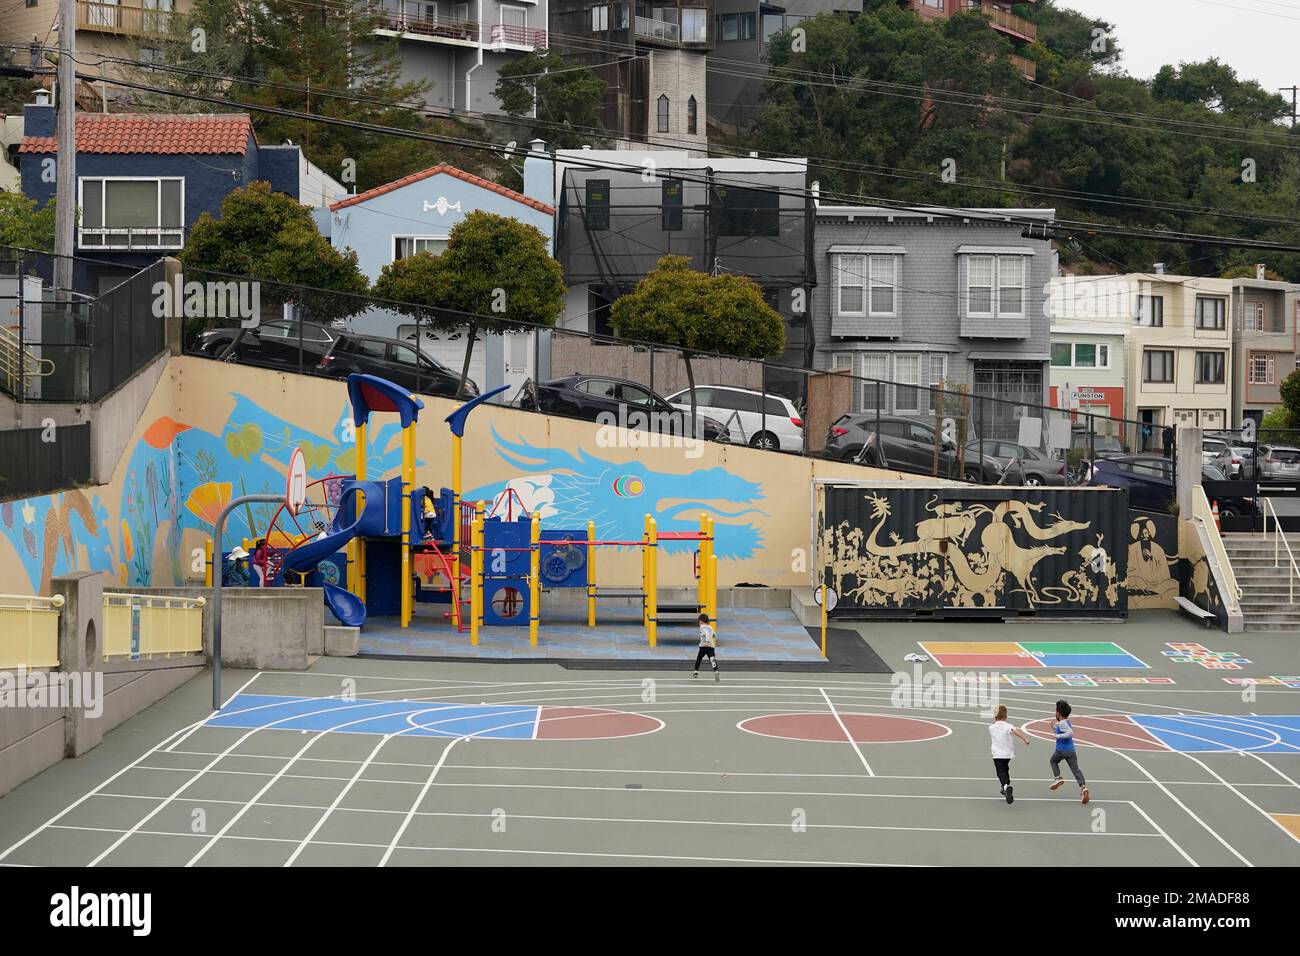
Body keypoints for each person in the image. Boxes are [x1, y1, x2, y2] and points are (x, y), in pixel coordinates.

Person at [1049, 699, 1090, 804]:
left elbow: (1070, 733)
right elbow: (1063, 729)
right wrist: (1054, 728)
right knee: (1075, 770)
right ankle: (1083, 787)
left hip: (1061, 750)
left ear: (1058, 713)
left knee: (1053, 761)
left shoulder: (1062, 723)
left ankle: (1058, 778)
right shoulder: (1065, 722)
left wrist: (1056, 735)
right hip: (1071, 751)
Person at [989, 704, 1031, 804]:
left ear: (995, 717)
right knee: (1005, 769)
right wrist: (1024, 738)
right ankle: (1005, 788)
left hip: (997, 755)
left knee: (1001, 772)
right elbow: (1015, 731)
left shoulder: (991, 728)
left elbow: (998, 727)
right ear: (1006, 717)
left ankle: (1005, 786)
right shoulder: (1009, 727)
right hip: (1007, 754)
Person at [693, 613, 719, 682]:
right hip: (711, 646)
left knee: (699, 658)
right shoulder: (710, 627)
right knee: (712, 659)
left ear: (701, 621)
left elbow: (706, 633)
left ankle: (695, 671)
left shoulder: (702, 627)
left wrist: (707, 641)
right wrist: (711, 639)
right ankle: (716, 670)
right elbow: (714, 635)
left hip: (703, 646)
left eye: (699, 622)